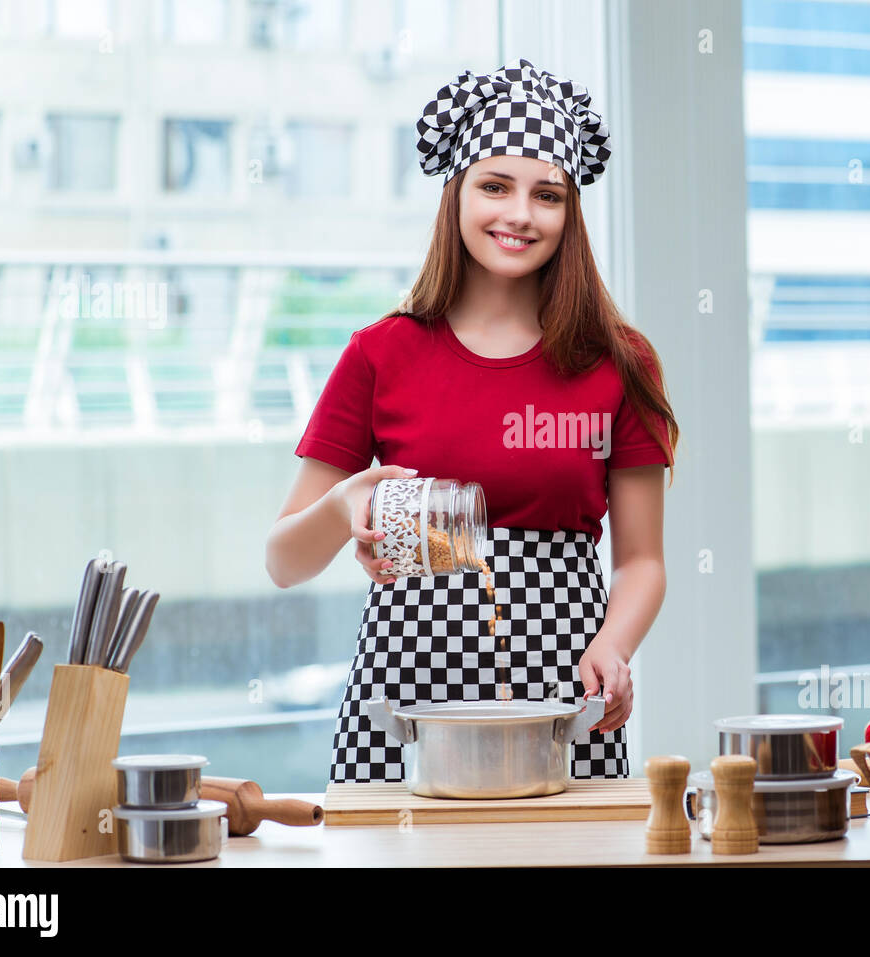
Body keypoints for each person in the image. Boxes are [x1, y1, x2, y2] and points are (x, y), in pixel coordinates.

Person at [265, 57, 680, 784]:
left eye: (546, 194)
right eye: (495, 186)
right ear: (456, 194)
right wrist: (342, 505)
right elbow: (283, 561)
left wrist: (613, 647)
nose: (520, 214)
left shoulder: (621, 362)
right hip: (400, 704)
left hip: (562, 693)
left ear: (569, 213)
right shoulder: (379, 353)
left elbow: (642, 559)